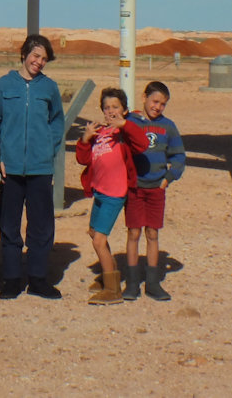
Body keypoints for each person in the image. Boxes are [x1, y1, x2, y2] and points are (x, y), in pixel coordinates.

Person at [0, 34, 65, 300]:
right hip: (9, 169)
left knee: (41, 226)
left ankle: (37, 278)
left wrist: (47, 149)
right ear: (24, 54)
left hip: (40, 168)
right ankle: (11, 279)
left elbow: (56, 122)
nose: (39, 62)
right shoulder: (3, 85)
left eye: (44, 59)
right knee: (9, 225)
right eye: (35, 55)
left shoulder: (49, 88)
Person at [75, 87, 148, 304]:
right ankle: (111, 273)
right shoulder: (101, 132)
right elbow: (83, 159)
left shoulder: (124, 133)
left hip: (114, 193)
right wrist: (86, 139)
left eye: (115, 107)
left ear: (124, 110)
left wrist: (124, 124)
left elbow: (142, 144)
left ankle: (112, 289)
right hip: (99, 191)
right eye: (107, 107)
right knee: (93, 232)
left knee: (99, 240)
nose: (111, 111)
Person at [124, 80, 186, 301]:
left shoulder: (168, 126)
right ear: (144, 98)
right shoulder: (130, 122)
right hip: (135, 188)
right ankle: (132, 283)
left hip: (156, 189)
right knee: (133, 233)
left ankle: (152, 283)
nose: (157, 107)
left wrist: (168, 178)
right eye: (155, 101)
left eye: (162, 103)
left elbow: (179, 156)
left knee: (152, 233)